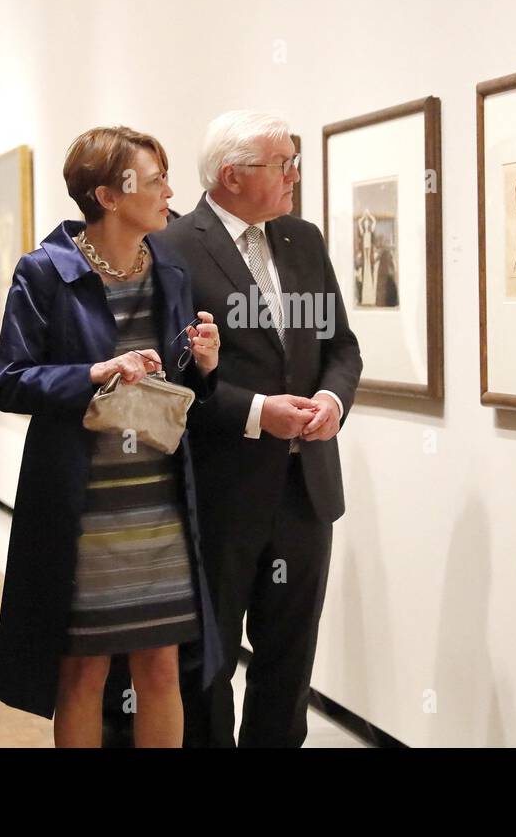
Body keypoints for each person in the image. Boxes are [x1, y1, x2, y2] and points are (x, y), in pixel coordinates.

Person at [0, 126, 223, 747]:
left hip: (160, 502)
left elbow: (177, 386)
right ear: (108, 196)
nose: (170, 193)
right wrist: (94, 374)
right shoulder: (45, 272)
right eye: (154, 182)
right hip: (83, 505)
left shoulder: (169, 269)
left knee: (161, 665)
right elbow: (8, 382)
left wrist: (204, 363)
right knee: (83, 670)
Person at [163, 110, 362, 747]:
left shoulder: (302, 240)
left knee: (288, 662)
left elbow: (341, 346)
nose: (295, 176)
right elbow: (168, 382)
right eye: (283, 164)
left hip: (305, 489)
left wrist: (332, 397)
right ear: (232, 176)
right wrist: (256, 413)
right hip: (219, 493)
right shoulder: (170, 249)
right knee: (208, 668)